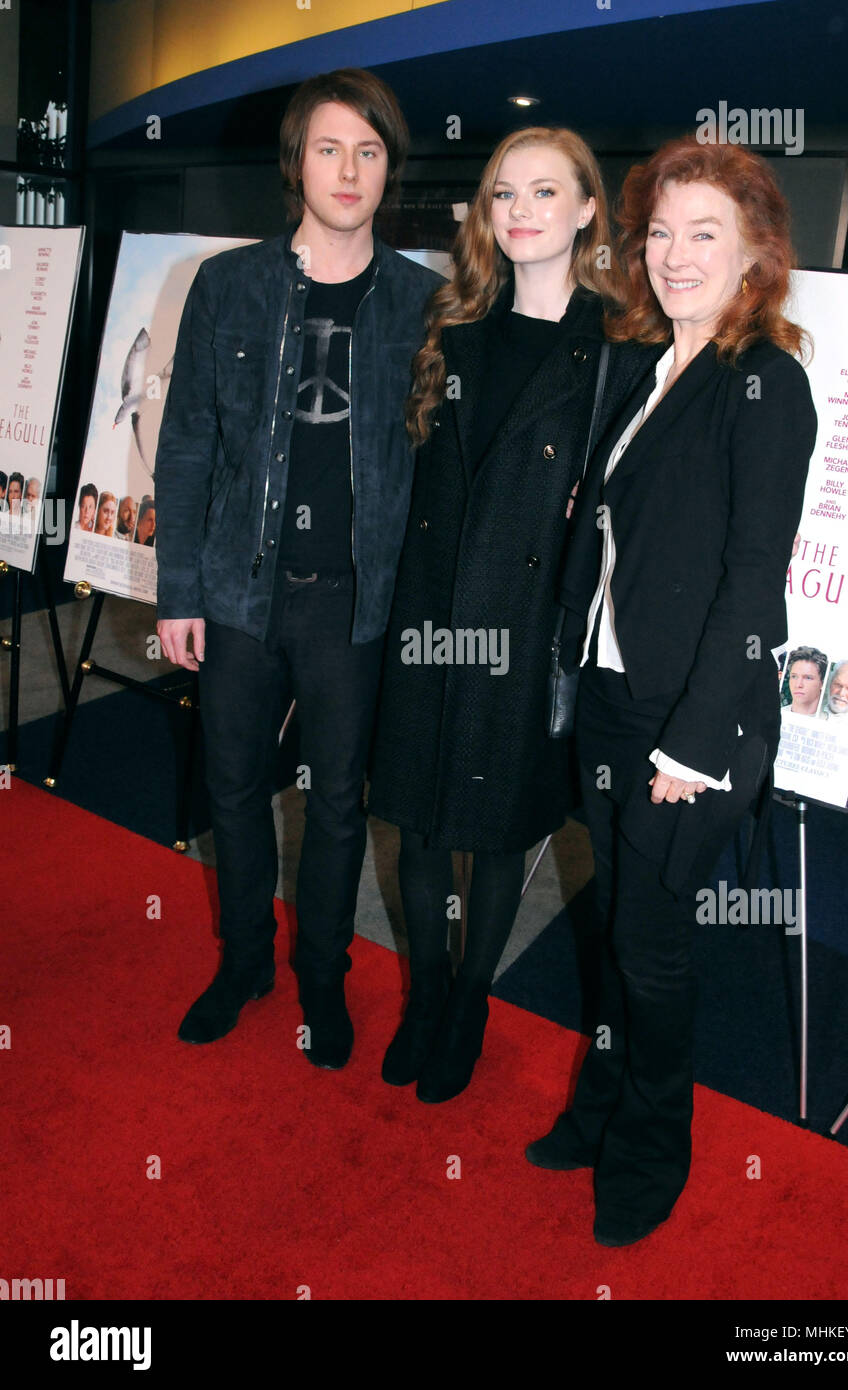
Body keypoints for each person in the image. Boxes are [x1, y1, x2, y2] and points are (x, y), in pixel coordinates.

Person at [525, 135, 817, 1247]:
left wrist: (691, 750)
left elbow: (753, 580)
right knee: (607, 934)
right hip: (611, 697)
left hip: (692, 725)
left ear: (753, 255)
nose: (674, 253)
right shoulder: (654, 371)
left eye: (705, 233)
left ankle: (652, 1148)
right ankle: (599, 1104)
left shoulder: (763, 380)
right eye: (659, 231)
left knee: (649, 952)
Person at [155, 68, 442, 1066]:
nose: (349, 168)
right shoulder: (228, 286)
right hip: (238, 590)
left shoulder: (423, 302)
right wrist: (179, 591)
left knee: (335, 805)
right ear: (296, 164)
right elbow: (186, 442)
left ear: (387, 169)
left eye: (368, 151)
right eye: (329, 148)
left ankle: (323, 971)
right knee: (230, 789)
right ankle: (244, 962)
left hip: (354, 606)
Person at [368, 127, 661, 1104]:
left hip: (525, 621)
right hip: (427, 609)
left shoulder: (620, 346)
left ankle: (470, 1001)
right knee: (412, 824)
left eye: (545, 190)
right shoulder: (451, 320)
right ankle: (425, 993)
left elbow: (636, 496)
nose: (521, 208)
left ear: (587, 210)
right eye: (503, 192)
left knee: (494, 835)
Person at [781, 646, 827, 716]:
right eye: (794, 676)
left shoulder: (832, 723)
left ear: (822, 683)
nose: (798, 685)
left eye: (808, 678)